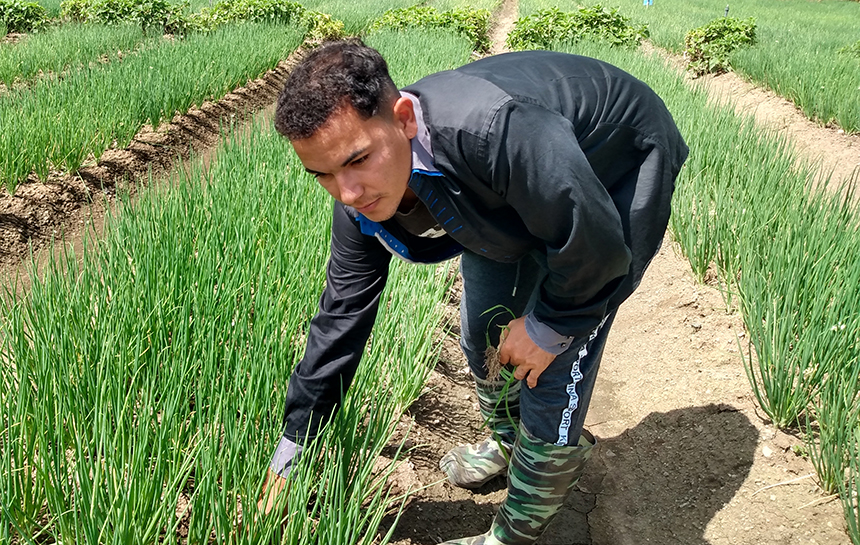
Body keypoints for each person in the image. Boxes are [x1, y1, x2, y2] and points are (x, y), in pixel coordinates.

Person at [258, 38, 688, 544]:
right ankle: (510, 443)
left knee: (551, 361)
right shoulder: (358, 203)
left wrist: (551, 323)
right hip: (504, 190)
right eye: (322, 175)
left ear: (402, 120)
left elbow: (594, 247)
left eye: (358, 160)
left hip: (612, 163)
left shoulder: (497, 132)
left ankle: (515, 533)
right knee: (485, 329)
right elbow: (341, 317)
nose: (347, 192)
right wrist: (293, 447)